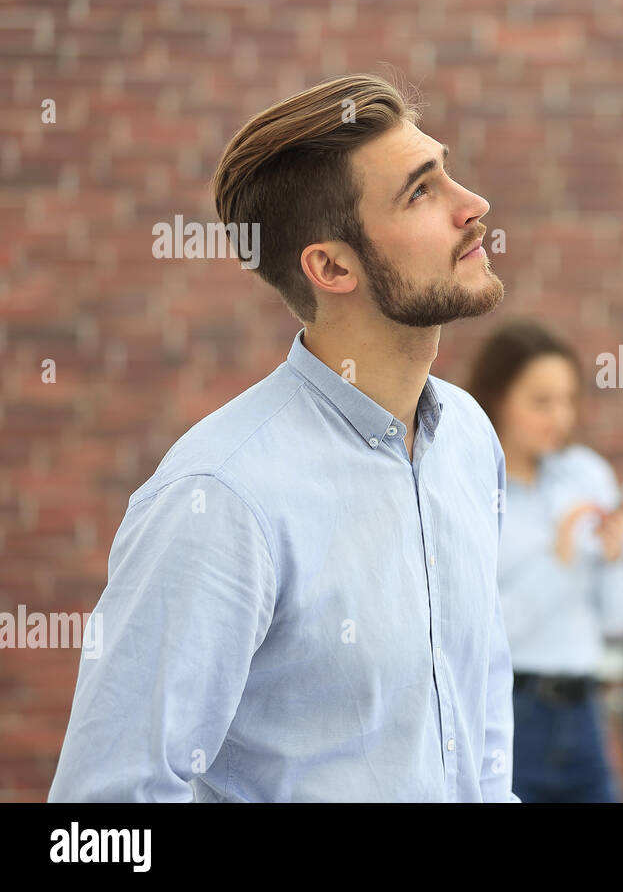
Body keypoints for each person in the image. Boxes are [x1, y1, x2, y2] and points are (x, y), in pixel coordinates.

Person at [49, 74, 518, 801]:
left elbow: (480, 729)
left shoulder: (469, 440)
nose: (474, 206)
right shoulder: (222, 495)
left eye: (447, 172)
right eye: (421, 192)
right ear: (331, 266)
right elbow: (105, 812)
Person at [465, 321, 623, 802]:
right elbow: (482, 632)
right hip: (510, 712)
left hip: (585, 710)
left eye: (568, 399)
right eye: (541, 401)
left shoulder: (587, 474)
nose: (560, 417)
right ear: (499, 398)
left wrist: (613, 557)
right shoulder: (472, 486)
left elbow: (620, 618)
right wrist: (559, 558)